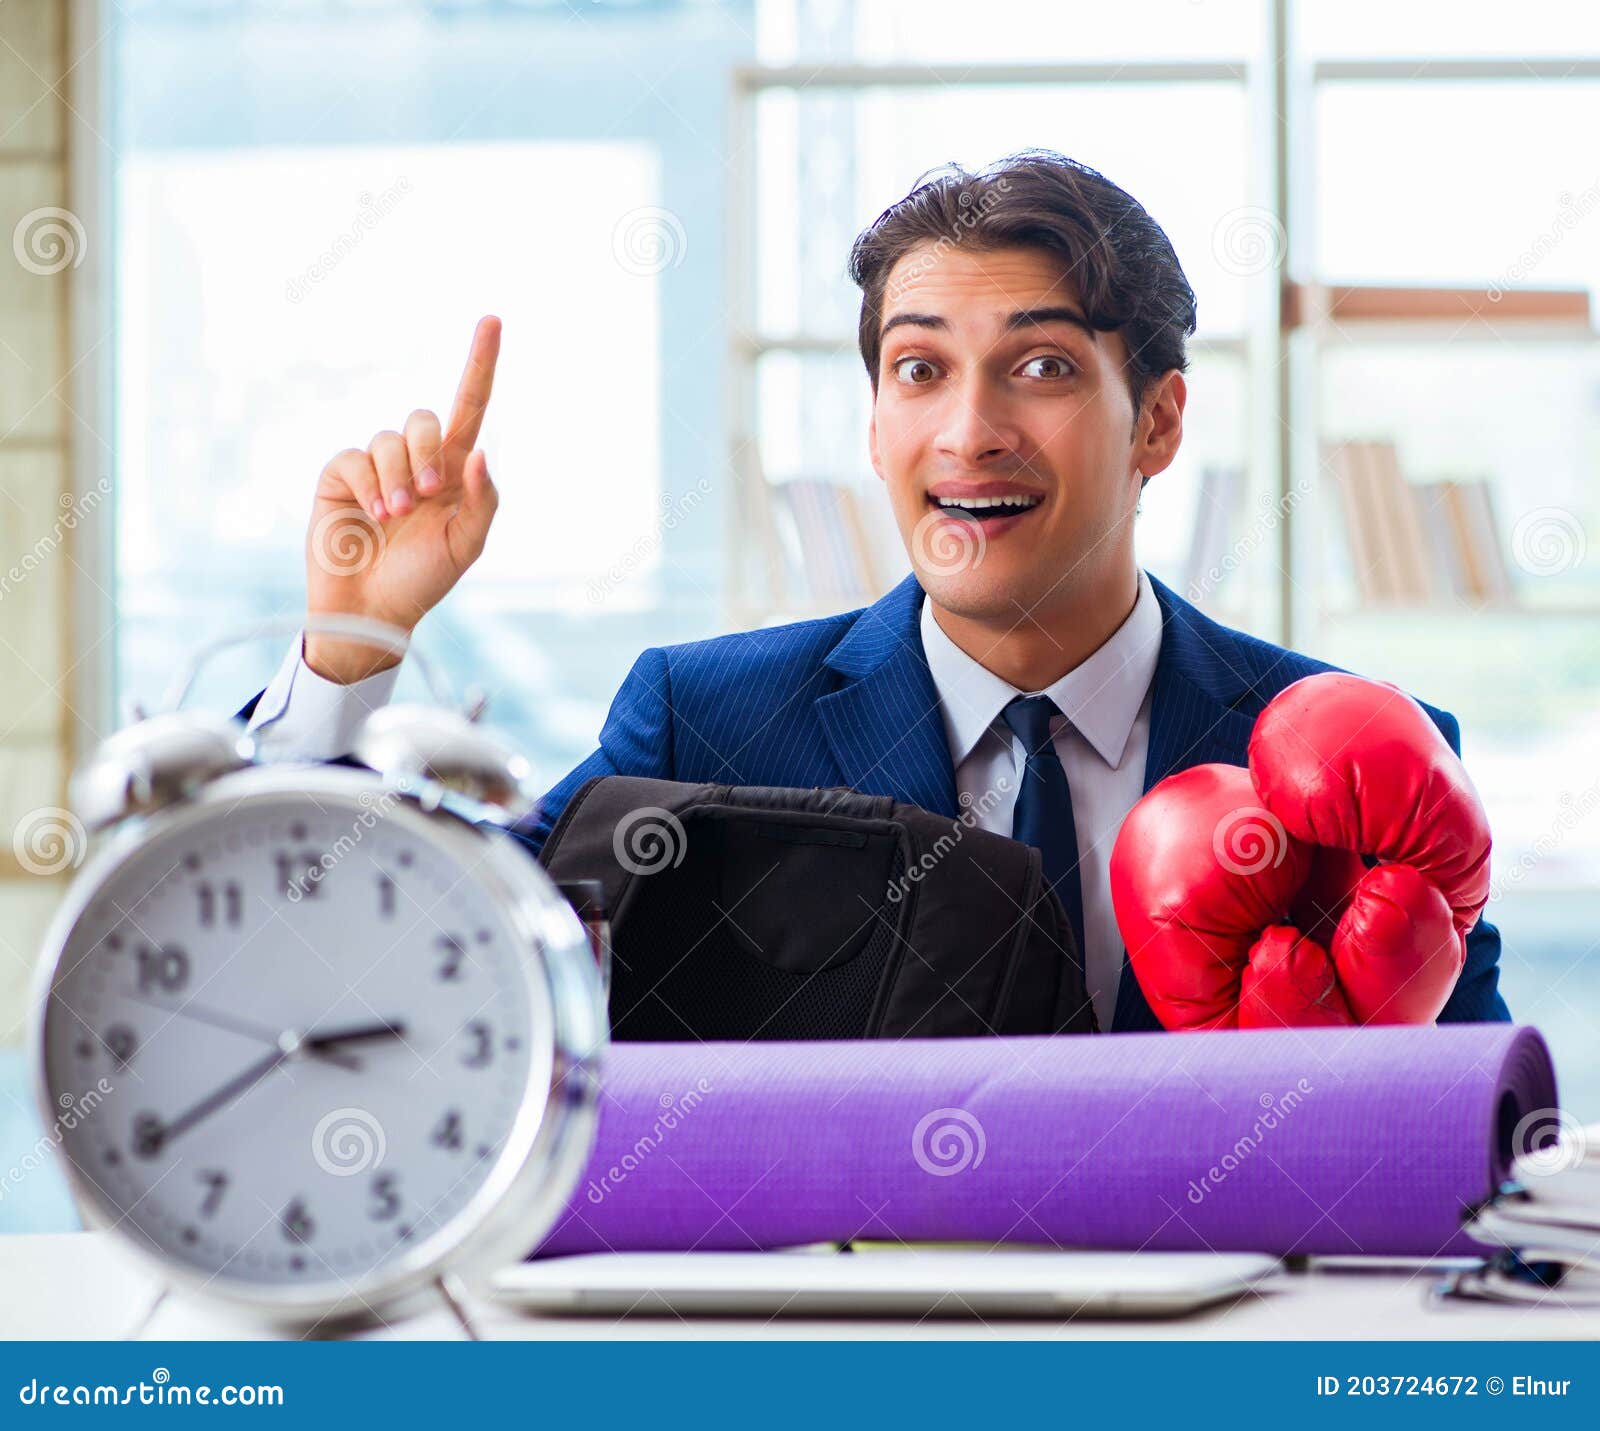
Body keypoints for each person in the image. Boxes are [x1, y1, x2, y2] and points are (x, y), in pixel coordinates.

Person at [241, 150, 1509, 1033]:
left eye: (1042, 367)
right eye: (919, 369)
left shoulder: (1363, 768)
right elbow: (392, 977)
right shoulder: (705, 723)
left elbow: (1466, 1157)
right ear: (873, 419)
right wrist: (355, 649)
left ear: (1158, 422)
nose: (970, 431)